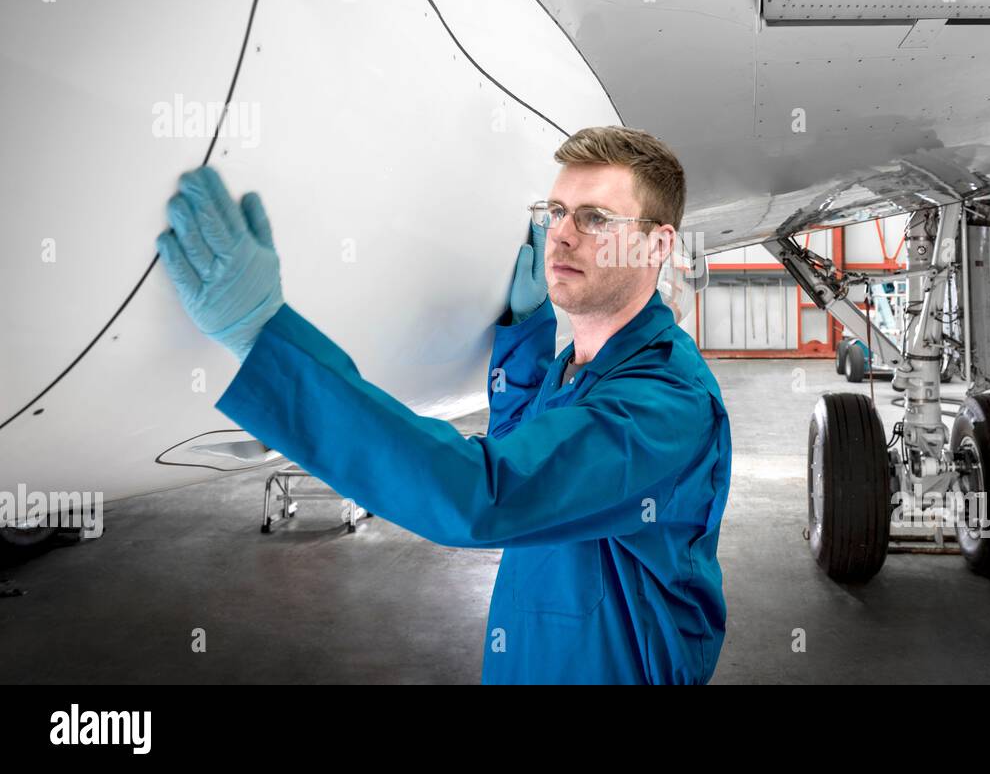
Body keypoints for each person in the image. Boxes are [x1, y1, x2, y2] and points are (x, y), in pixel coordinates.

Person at [154, 126, 732, 684]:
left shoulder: (667, 403)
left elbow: (486, 493)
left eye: (595, 218)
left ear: (657, 244)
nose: (561, 234)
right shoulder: (581, 368)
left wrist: (269, 343)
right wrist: (527, 327)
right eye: (554, 212)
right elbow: (526, 445)